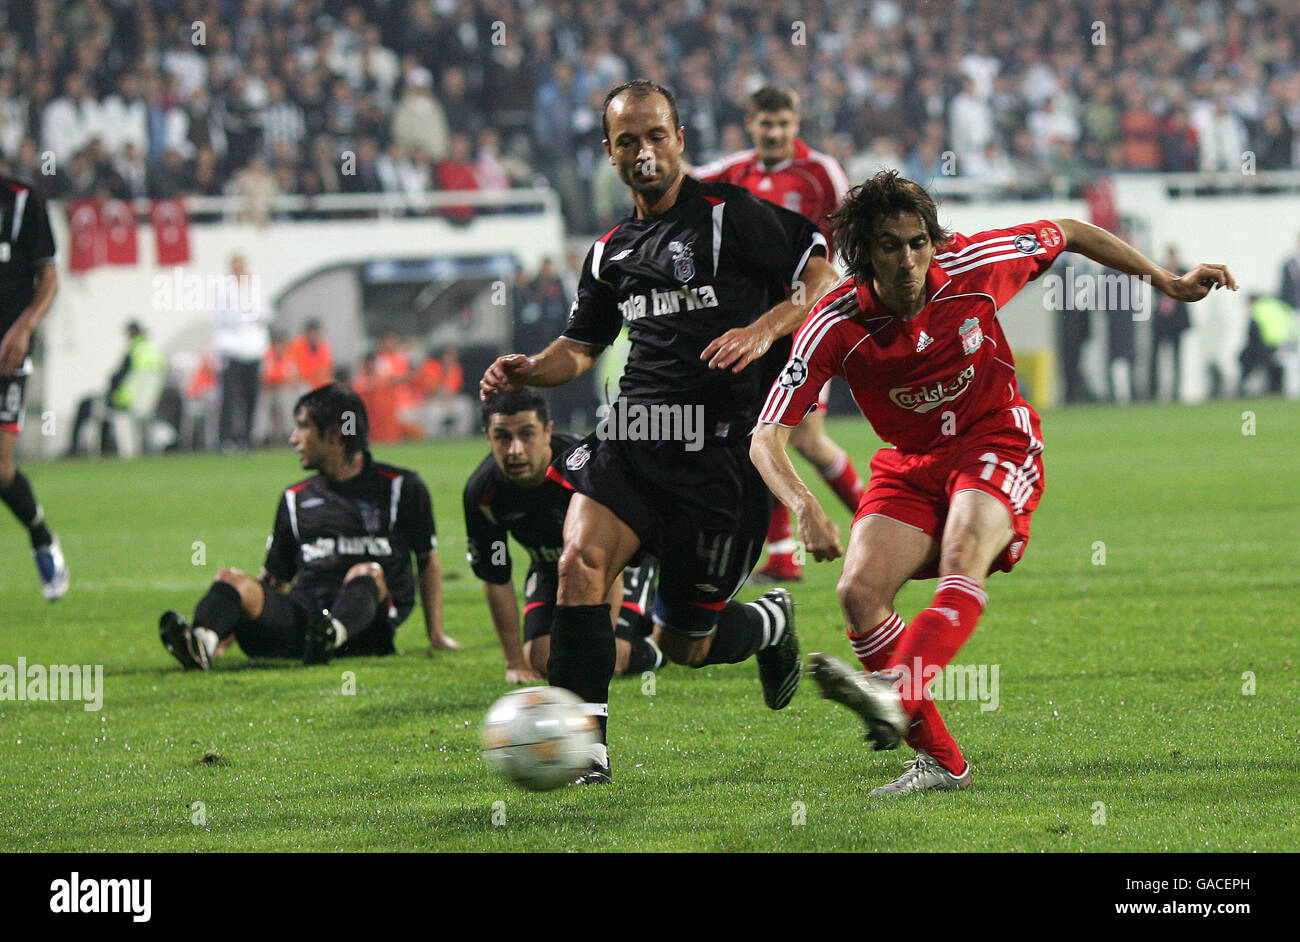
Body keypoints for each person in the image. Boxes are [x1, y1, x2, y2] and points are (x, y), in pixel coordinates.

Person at [750, 170, 1236, 796]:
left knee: (963, 553)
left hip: (995, 438)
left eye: (918, 242)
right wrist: (804, 502)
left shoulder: (975, 264)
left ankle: (897, 690)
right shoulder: (834, 323)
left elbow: (1071, 231)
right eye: (890, 246)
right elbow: (765, 436)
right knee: (858, 592)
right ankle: (942, 762)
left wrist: (1167, 282)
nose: (908, 260)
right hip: (913, 462)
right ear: (864, 254)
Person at [480, 80, 840, 784]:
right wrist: (528, 369)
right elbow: (579, 350)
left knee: (687, 645)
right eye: (627, 141)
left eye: (655, 136)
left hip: (722, 458)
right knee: (578, 563)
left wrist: (763, 329)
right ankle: (586, 748)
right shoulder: (609, 251)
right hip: (635, 436)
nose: (643, 151)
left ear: (679, 140)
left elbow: (821, 271)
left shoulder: (730, 215)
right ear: (609, 153)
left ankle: (768, 622)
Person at [159, 383, 461, 670]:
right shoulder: (295, 498)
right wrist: (233, 617)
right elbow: (275, 577)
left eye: (303, 427)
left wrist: (436, 633)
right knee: (231, 579)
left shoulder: (401, 488)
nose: (293, 438)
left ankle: (332, 633)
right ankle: (201, 644)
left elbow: (427, 559)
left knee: (367, 572)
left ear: (334, 435)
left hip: (367, 630)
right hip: (303, 623)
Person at [694, 85, 865, 583]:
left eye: (782, 124)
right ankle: (783, 556)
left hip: (803, 321)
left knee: (807, 440)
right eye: (765, 124)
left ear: (795, 125)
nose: (773, 133)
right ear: (751, 124)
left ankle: (875, 520)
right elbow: (682, 184)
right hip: (753, 327)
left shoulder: (821, 172)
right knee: (761, 434)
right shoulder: (734, 172)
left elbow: (847, 233)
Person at [466, 389, 664, 682]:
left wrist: (599, 651)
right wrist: (514, 664)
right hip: (552, 568)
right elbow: (495, 578)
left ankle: (658, 642)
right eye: (503, 438)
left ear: (547, 431)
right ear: (488, 437)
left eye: (527, 434)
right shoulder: (483, 493)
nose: (515, 450)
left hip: (619, 563)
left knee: (611, 659)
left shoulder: (584, 469)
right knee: (543, 661)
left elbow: (605, 562)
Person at [0, 172, 68, 600]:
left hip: (6, 355)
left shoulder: (23, 201)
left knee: (0, 468)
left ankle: (41, 536)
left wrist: (24, 328)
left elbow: (48, 279)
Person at [212, 253, 271, 451]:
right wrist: (244, 317)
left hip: (253, 348)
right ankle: (226, 439)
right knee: (228, 396)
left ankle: (246, 438)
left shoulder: (255, 286)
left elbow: (266, 312)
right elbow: (222, 316)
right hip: (231, 348)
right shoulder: (223, 288)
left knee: (251, 396)